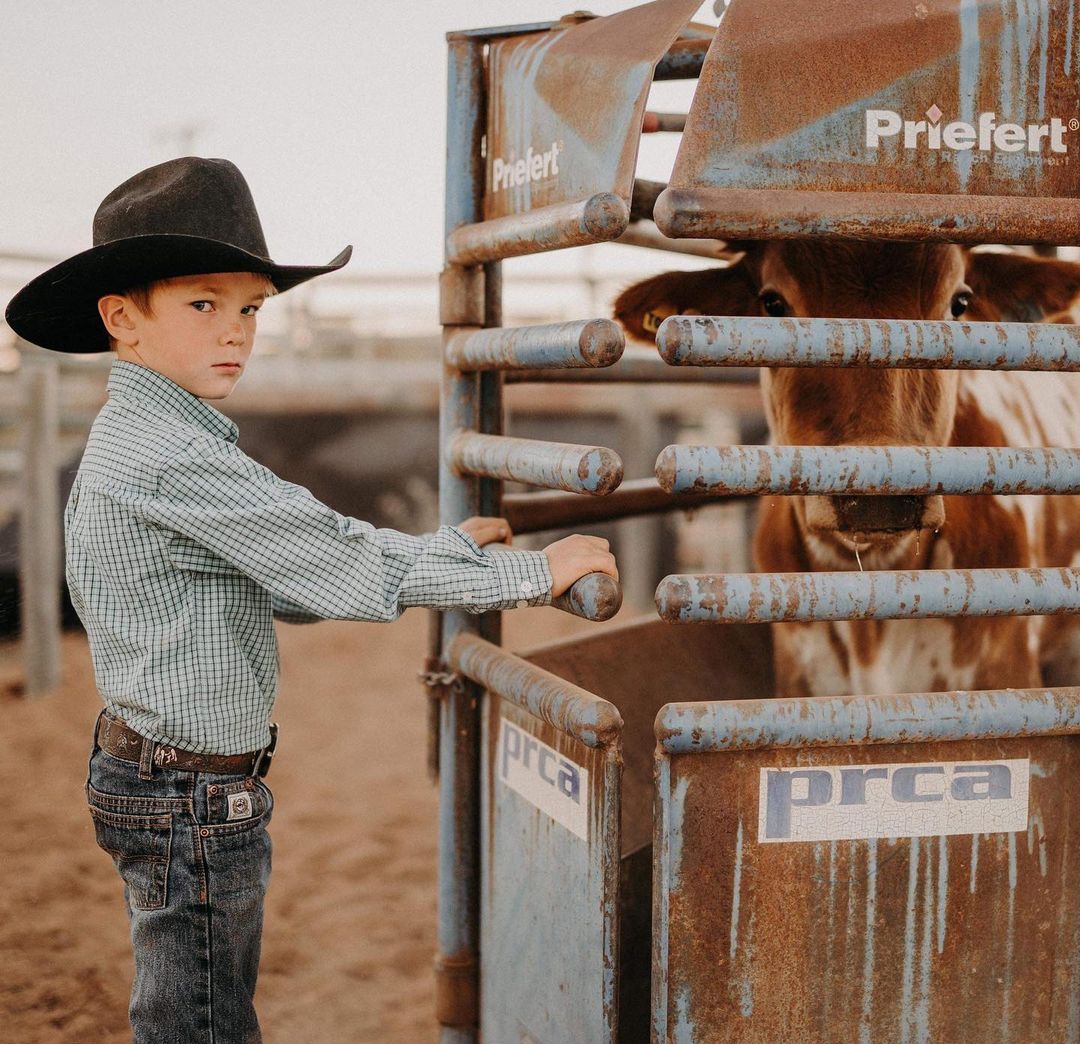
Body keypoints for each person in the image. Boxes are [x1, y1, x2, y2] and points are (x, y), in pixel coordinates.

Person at [4, 156, 618, 1043]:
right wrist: (531, 573)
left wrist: (444, 549)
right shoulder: (167, 456)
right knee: (202, 1025)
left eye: (251, 307)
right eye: (203, 304)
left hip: (164, 776)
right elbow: (341, 563)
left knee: (196, 1009)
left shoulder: (157, 434)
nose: (237, 332)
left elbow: (291, 570)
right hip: (188, 795)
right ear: (121, 318)